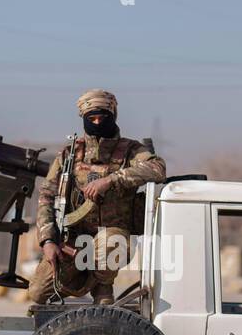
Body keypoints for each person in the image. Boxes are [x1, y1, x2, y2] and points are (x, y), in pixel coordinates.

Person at [28, 88, 166, 304]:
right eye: (91, 118)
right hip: (74, 241)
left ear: (114, 116)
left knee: (110, 244)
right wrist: (47, 240)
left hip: (113, 235)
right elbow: (46, 196)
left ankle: (103, 286)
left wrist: (111, 180)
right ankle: (90, 281)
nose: (97, 122)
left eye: (103, 117)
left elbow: (157, 168)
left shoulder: (131, 150)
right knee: (38, 292)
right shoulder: (69, 154)